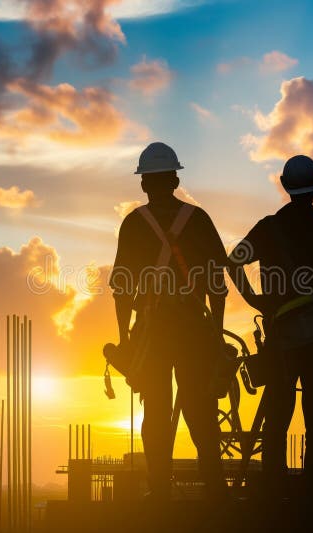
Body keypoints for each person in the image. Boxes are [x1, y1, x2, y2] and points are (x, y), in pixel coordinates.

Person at [228, 155, 313, 506]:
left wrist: (256, 301)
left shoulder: (269, 228)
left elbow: (233, 260)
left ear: (285, 186)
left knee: (277, 414)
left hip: (280, 339)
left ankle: (272, 490)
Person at [109, 142, 228, 501]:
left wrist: (125, 341)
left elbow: (121, 292)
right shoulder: (199, 220)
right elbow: (218, 284)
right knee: (201, 411)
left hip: (152, 333)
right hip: (194, 331)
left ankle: (159, 490)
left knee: (157, 413)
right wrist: (217, 335)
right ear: (175, 179)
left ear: (144, 183)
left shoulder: (133, 224)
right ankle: (216, 490)